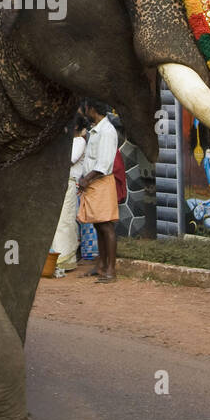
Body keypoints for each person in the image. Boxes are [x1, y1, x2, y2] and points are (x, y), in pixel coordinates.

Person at [77, 101, 120, 283]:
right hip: (93, 183)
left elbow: (104, 164)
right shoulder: (96, 130)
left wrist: (86, 179)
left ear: (92, 109)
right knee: (97, 225)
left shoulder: (107, 131)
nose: (84, 111)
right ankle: (101, 265)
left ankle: (111, 270)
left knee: (106, 226)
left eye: (86, 108)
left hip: (100, 182)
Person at [43, 113, 89, 278]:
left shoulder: (79, 141)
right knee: (57, 220)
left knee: (66, 219)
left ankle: (65, 258)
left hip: (69, 182)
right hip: (59, 182)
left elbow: (69, 159)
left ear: (75, 126)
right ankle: (55, 256)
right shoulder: (67, 141)